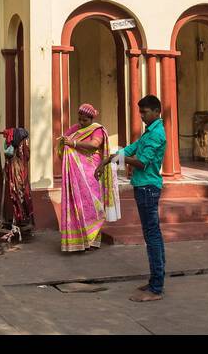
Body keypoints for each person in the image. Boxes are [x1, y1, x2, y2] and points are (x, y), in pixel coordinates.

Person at [97, 95, 166, 302]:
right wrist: (111, 157)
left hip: (148, 188)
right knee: (153, 235)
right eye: (141, 112)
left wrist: (114, 159)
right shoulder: (149, 132)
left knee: (152, 236)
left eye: (145, 112)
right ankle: (156, 280)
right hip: (144, 187)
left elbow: (142, 162)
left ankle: (156, 288)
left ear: (156, 111)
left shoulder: (156, 134)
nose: (142, 116)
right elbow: (132, 148)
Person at [57, 103, 115, 252]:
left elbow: (95, 145)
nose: (81, 123)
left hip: (91, 171)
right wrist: (64, 142)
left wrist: (74, 143)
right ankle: (80, 241)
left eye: (85, 120)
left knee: (92, 203)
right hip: (77, 172)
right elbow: (65, 138)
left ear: (91, 119)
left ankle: (93, 240)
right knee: (78, 203)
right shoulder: (76, 128)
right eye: (80, 119)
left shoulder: (97, 130)